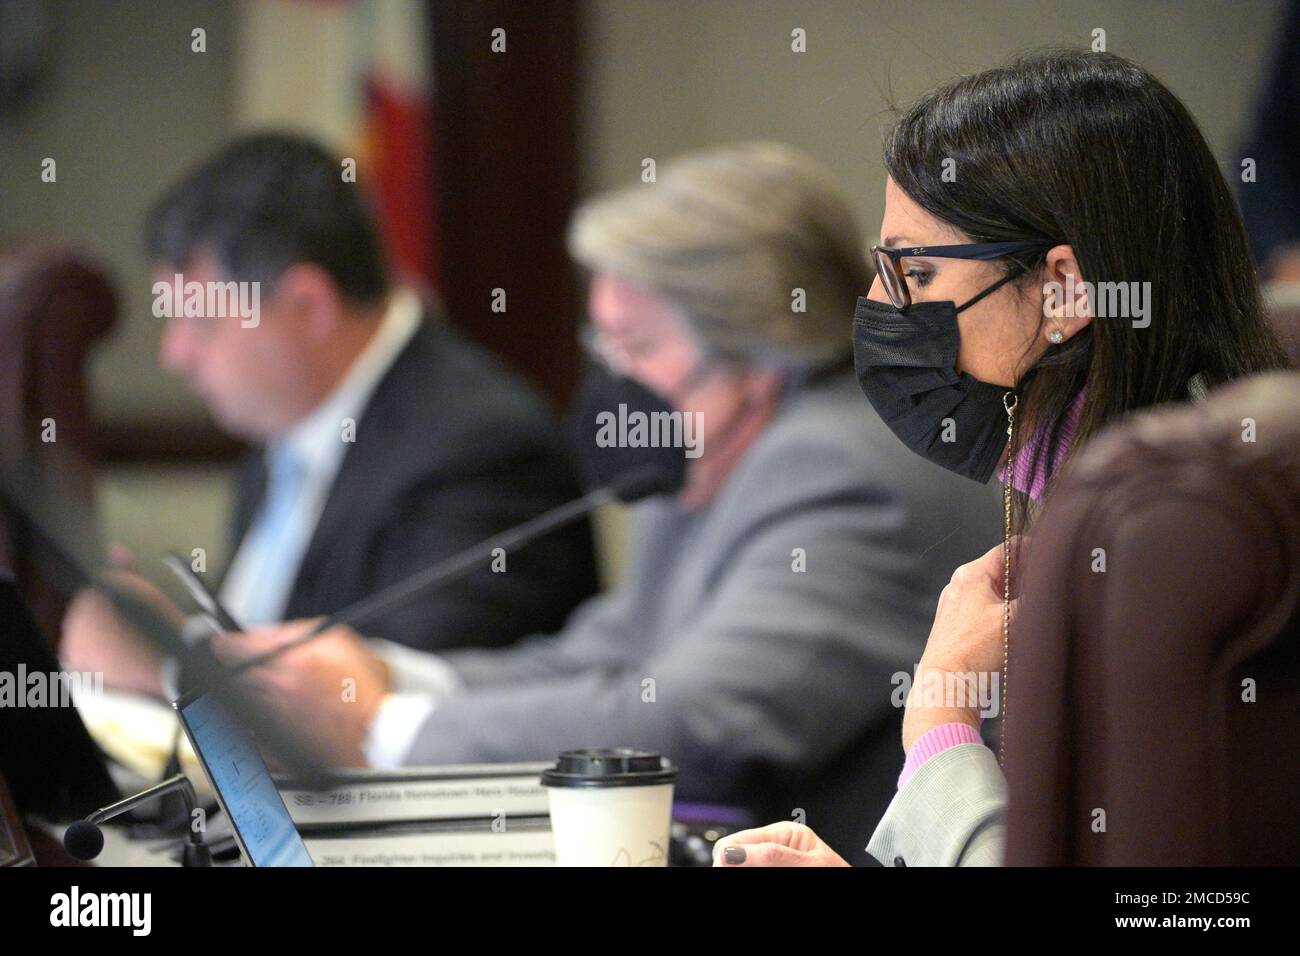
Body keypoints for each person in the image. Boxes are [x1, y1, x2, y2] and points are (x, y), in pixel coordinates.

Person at [211, 142, 1001, 859]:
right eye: (604, 344)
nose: (612, 385)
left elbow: (692, 724)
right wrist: (379, 677)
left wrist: (378, 729)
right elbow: (607, 654)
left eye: (641, 346)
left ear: (759, 359)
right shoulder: (706, 446)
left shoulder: (836, 469)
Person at [712, 49, 1291, 867]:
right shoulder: (1103, 477)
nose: (880, 308)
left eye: (915, 271)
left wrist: (942, 715)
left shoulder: (1176, 528)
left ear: (1065, 288)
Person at [61, 133, 599, 700]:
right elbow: (266, 623)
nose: (175, 354)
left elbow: (388, 705)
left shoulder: (486, 450)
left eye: (201, 324)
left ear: (308, 307)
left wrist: (169, 657)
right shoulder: (283, 426)